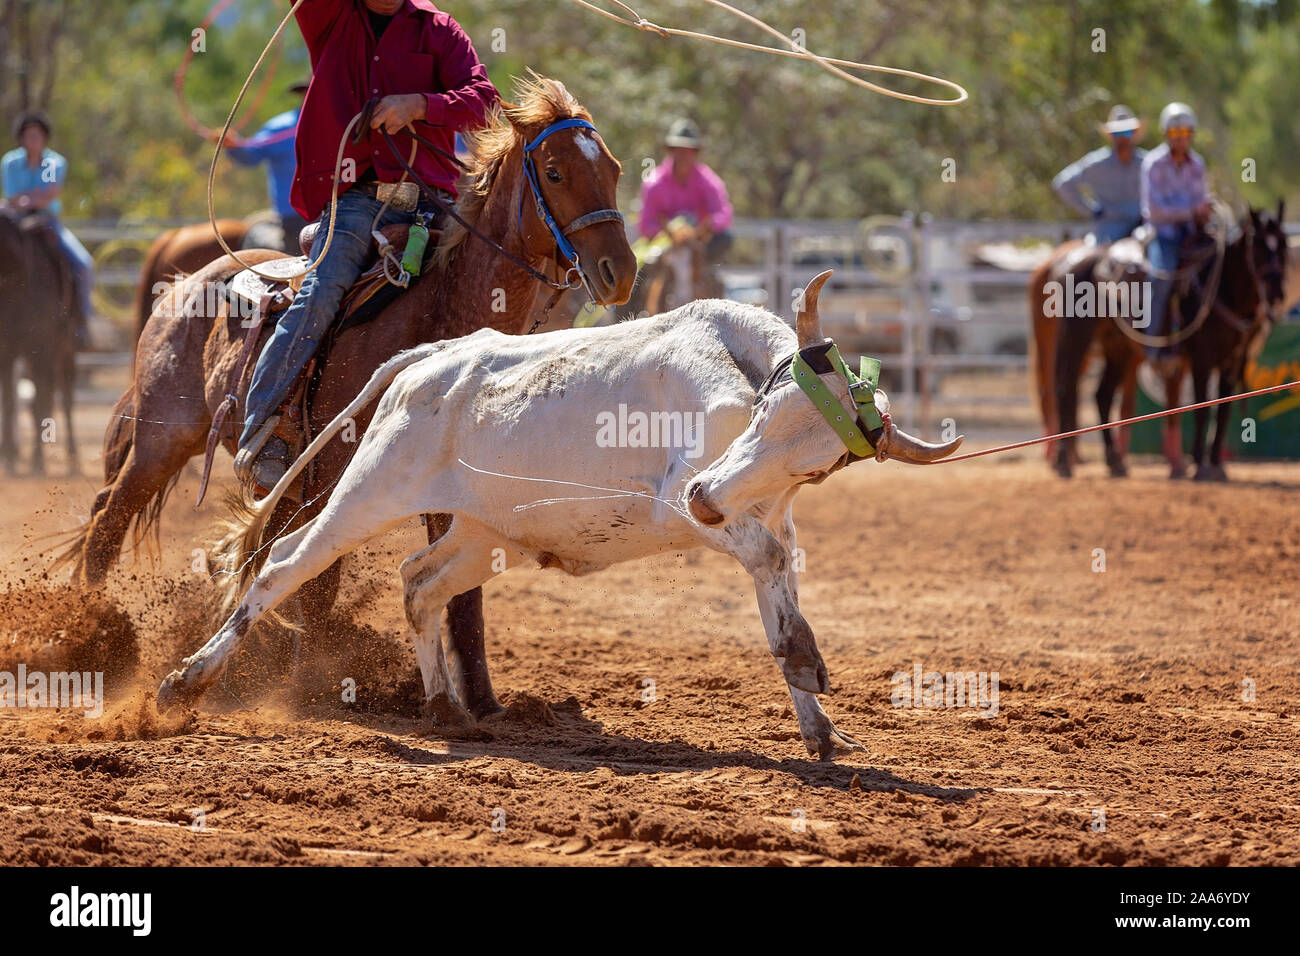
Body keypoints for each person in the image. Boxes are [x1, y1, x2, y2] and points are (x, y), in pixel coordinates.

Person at [235, 0, 499, 494]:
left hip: (432, 201)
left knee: (491, 283)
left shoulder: (438, 29)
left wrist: (421, 105)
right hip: (355, 198)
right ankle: (264, 433)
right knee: (321, 291)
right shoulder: (328, 16)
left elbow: (486, 101)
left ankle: (495, 433)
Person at [1, 110, 94, 348]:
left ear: (44, 138)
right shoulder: (10, 162)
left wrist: (28, 199)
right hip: (15, 223)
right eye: (28, 135)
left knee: (84, 264)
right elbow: (12, 197)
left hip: (46, 221)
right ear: (21, 139)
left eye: (37, 135)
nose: (33, 140)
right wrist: (33, 197)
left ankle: (81, 321)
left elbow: (50, 194)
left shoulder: (53, 162)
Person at [1140, 101, 1210, 368]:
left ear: (1191, 134)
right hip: (1163, 234)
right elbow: (1154, 211)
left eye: (1185, 133)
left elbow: (1199, 199)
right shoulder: (1153, 164)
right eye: (1175, 133)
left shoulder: (1198, 165)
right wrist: (1191, 211)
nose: (1180, 139)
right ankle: (1152, 344)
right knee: (1162, 276)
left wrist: (1203, 211)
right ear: (1166, 134)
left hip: (1192, 234)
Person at [226, 79, 309, 254]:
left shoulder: (341, 123)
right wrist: (233, 146)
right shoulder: (282, 127)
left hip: (339, 211)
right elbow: (251, 154)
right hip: (296, 215)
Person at [637, 118, 733, 264]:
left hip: (699, 242)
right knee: (642, 267)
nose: (684, 155)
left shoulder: (708, 181)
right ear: (670, 150)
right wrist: (668, 233)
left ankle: (710, 279)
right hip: (664, 244)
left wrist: (705, 227)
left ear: (696, 152)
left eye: (689, 150)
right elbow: (646, 224)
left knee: (725, 239)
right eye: (679, 150)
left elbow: (723, 213)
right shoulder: (654, 183)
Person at [1051, 104, 1147, 244]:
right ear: (1111, 136)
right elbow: (1062, 183)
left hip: (1142, 228)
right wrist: (1091, 210)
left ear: (1134, 134)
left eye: (1126, 133)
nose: (1122, 139)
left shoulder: (1147, 163)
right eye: (1117, 134)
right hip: (1108, 230)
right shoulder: (1097, 163)